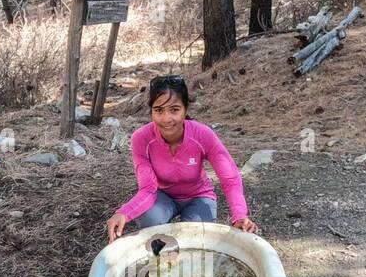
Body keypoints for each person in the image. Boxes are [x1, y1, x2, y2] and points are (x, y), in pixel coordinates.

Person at [105, 75, 261, 242]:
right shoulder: (141, 139)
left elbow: (230, 178)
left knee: (196, 238)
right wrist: (123, 213)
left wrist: (239, 216)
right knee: (151, 221)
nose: (166, 119)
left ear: (185, 109)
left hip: (198, 195)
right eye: (159, 110)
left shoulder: (203, 135)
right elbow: (148, 189)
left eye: (174, 110)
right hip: (163, 196)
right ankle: (158, 262)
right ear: (151, 111)